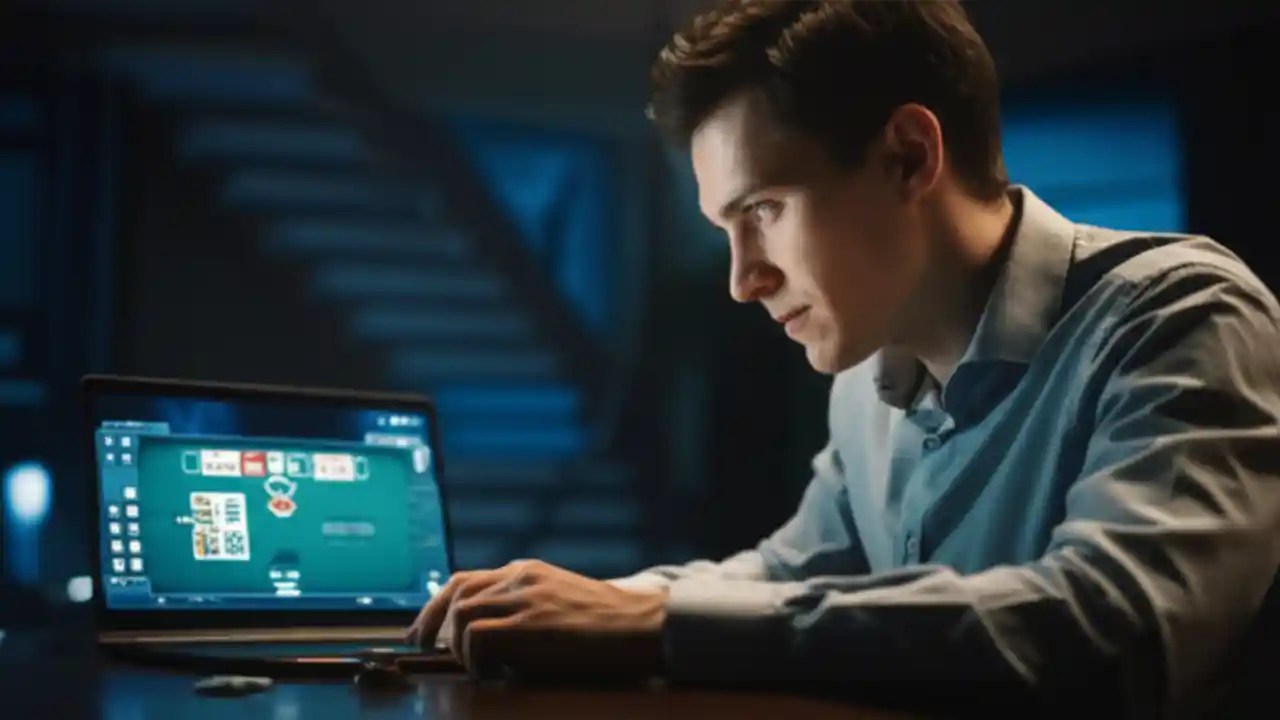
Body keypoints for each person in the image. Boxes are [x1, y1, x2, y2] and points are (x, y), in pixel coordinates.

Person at [408, 1, 1280, 715]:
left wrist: (653, 619)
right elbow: (790, 575)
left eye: (766, 210)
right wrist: (569, 608)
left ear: (909, 157)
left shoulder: (1179, 314)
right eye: (725, 231)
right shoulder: (870, 375)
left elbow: (1113, 630)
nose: (743, 282)